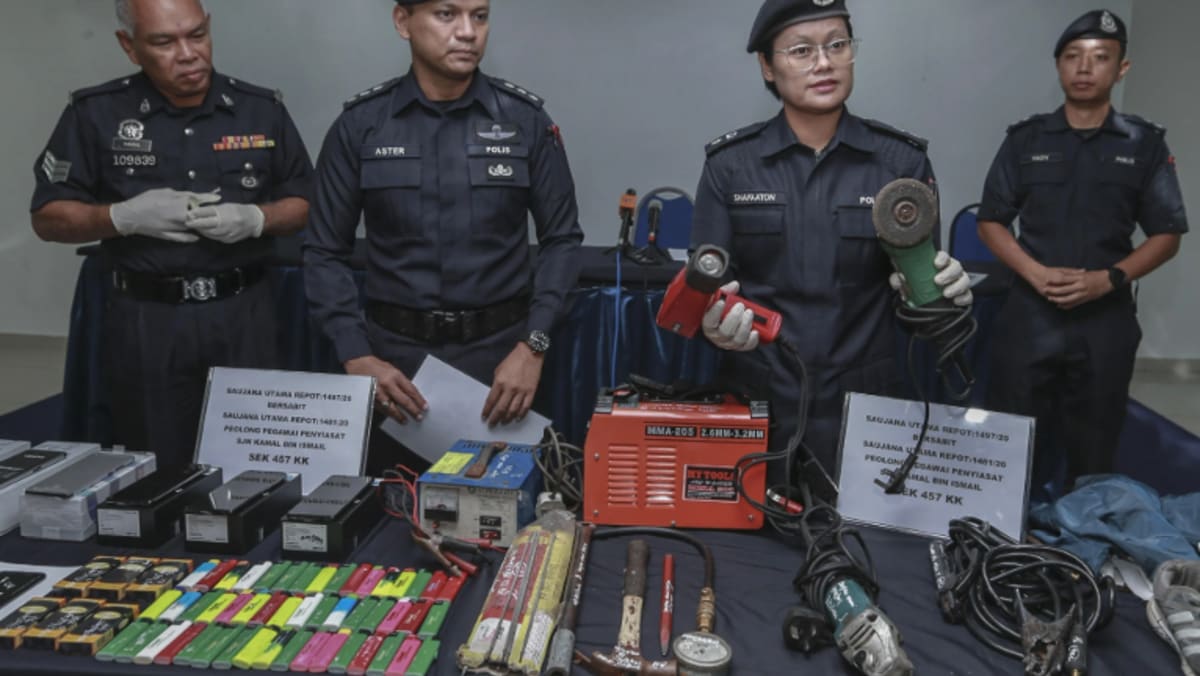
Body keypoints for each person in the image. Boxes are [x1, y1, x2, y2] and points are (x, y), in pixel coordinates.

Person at [691, 0, 972, 482]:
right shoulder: (730, 166)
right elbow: (706, 292)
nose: (823, 62)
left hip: (869, 409)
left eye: (837, 44)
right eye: (801, 50)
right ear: (767, 65)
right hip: (760, 406)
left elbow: (921, 303)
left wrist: (946, 295)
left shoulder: (900, 164)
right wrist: (712, 325)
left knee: (862, 551)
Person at [30, 0, 312, 468]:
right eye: (164, 42)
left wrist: (257, 219)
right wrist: (121, 217)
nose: (187, 53)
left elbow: (307, 201)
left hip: (243, 313)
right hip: (147, 319)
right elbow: (47, 217)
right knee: (155, 463)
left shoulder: (259, 110)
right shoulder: (95, 113)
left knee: (257, 462)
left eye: (196, 35)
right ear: (130, 46)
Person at [303, 0, 583, 464]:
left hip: (502, 365)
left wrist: (533, 348)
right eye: (447, 14)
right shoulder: (360, 127)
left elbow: (562, 241)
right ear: (402, 21)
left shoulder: (525, 122)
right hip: (395, 367)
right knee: (393, 513)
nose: (468, 32)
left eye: (480, 15)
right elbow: (322, 251)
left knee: (498, 521)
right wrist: (357, 357)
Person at [977, 9, 1187, 495]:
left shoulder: (1144, 144)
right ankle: (1002, 547)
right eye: (1073, 57)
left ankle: (1082, 553)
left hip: (1104, 321)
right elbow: (991, 221)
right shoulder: (1026, 140)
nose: (1085, 68)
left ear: (1122, 68)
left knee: (1094, 451)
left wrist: (1109, 278)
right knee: (1008, 445)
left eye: (1100, 58)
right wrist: (1032, 272)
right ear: (1059, 66)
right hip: (1029, 317)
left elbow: (1167, 234)